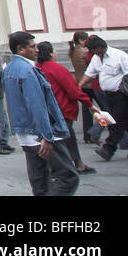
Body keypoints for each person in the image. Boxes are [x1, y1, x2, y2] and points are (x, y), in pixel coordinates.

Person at [2, 31, 80, 196]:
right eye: (32, 47)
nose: (37, 50)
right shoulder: (28, 70)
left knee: (40, 182)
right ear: (20, 49)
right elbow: (37, 105)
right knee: (68, 177)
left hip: (25, 134)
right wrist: (47, 136)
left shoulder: (9, 69)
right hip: (41, 134)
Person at [79, 34, 128, 161]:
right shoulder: (96, 58)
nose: (95, 53)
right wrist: (78, 87)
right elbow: (89, 74)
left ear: (101, 47)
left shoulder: (119, 55)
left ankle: (108, 148)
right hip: (108, 95)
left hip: (122, 93)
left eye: (96, 51)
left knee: (116, 121)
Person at [36, 41, 97, 175]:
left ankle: (55, 165)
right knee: (67, 137)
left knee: (51, 138)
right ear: (51, 53)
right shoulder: (57, 69)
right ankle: (77, 163)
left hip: (46, 111)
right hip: (61, 109)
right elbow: (73, 90)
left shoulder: (36, 69)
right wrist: (90, 104)